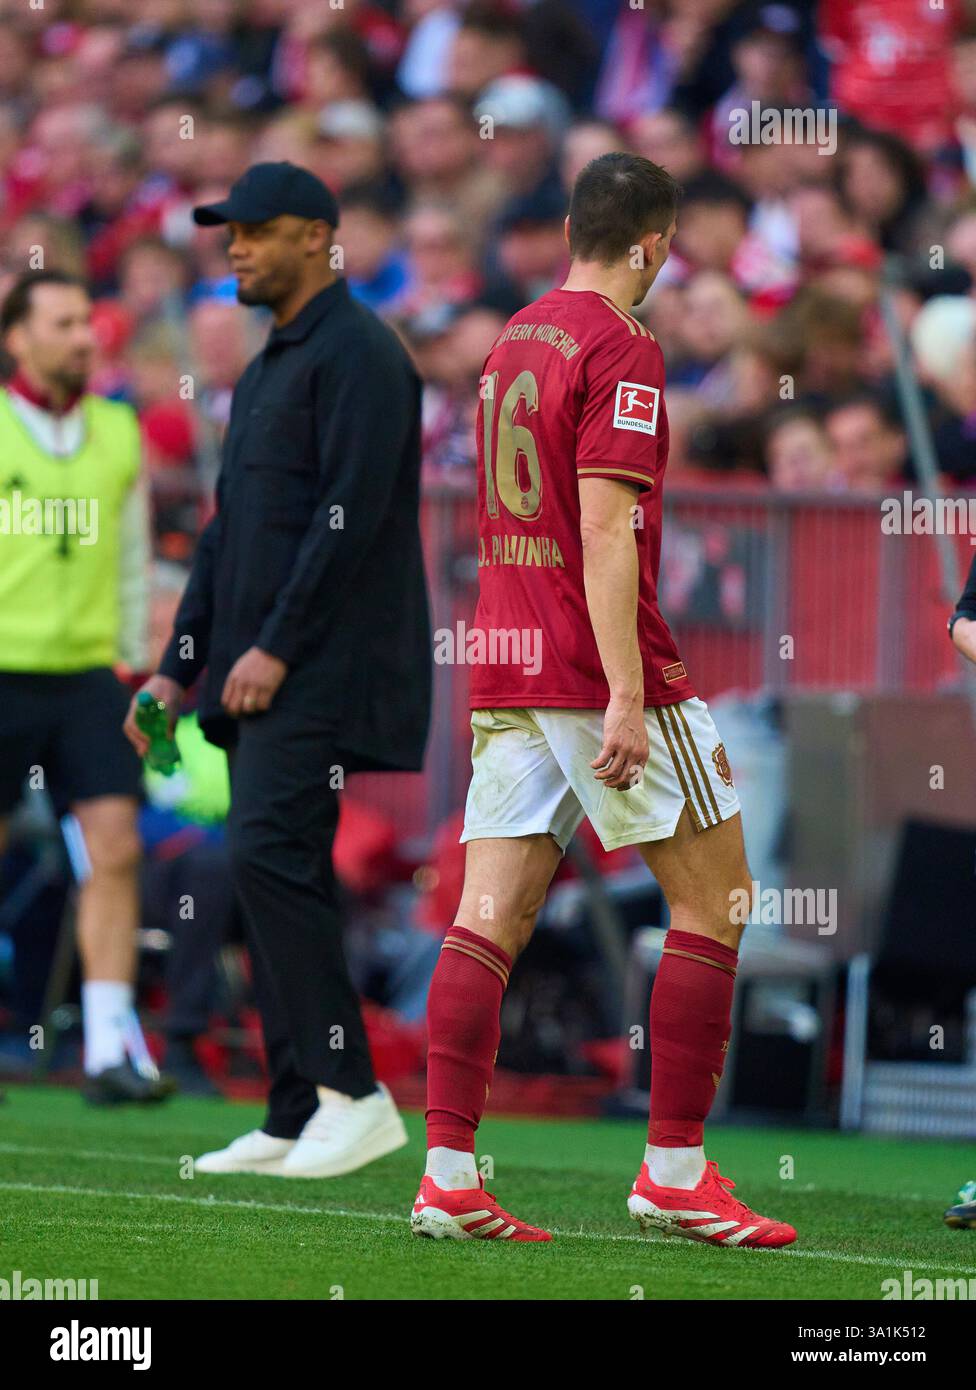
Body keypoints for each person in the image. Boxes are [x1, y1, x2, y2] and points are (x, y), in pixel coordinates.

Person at [410, 153, 796, 1247]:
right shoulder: (622, 342)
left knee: (488, 916)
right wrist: (627, 690)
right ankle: (673, 1166)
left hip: (507, 649)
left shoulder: (512, 337)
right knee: (715, 899)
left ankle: (446, 1173)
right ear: (650, 243)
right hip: (591, 658)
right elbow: (604, 522)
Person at [125, 162, 431, 1178]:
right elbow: (225, 539)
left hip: (321, 669)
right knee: (265, 869)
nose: (234, 249)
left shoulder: (360, 357)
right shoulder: (265, 368)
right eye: (228, 234)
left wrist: (275, 647)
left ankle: (352, 1089)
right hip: (256, 672)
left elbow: (347, 528)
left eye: (253, 232)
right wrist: (176, 671)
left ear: (315, 235)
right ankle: (295, 1103)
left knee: (267, 855)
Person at [0, 269, 171, 1104]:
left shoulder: (117, 431)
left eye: (86, 323)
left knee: (117, 849)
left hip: (91, 677)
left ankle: (109, 1049)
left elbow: (134, 559)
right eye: (63, 323)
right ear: (16, 338)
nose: (83, 337)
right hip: (5, 667)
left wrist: (136, 661)